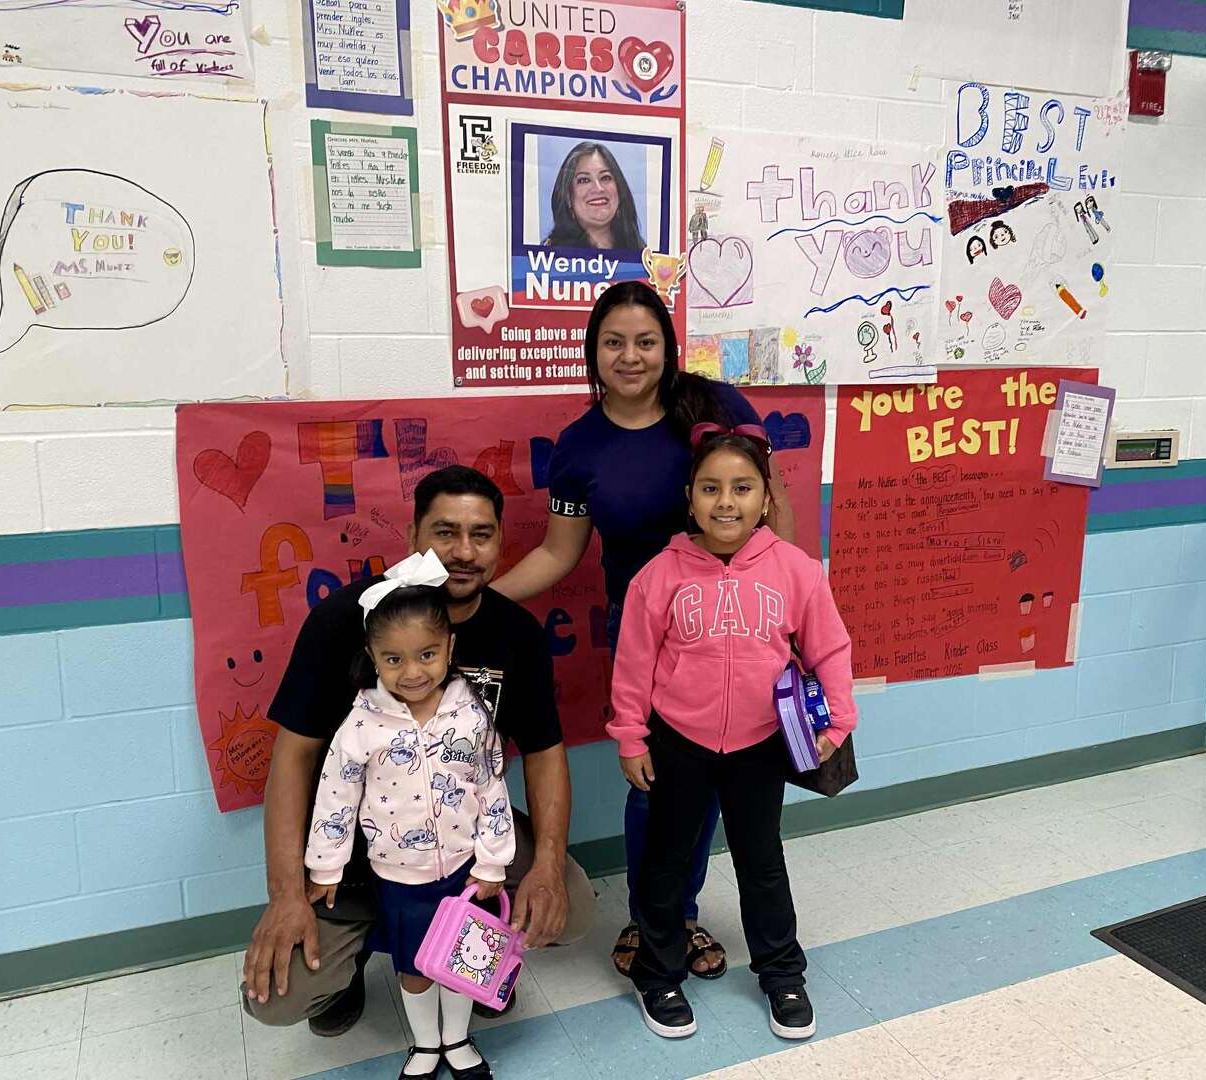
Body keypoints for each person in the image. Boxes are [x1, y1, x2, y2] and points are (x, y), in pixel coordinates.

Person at [492, 280, 796, 983]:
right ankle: (652, 916)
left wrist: (790, 604)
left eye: (646, 341)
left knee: (724, 779)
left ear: (668, 347)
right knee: (653, 782)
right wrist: (468, 602)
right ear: (593, 352)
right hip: (648, 641)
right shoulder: (578, 447)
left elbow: (772, 504)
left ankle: (680, 913)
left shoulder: (718, 406)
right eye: (614, 343)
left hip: (741, 627)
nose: (630, 357)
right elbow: (558, 554)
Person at [243, 466, 594, 1035]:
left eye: (481, 534)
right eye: (445, 532)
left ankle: (467, 955)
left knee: (571, 909)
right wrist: (287, 895)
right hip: (355, 855)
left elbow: (545, 752)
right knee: (278, 1000)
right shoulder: (344, 619)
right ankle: (348, 964)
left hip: (461, 838)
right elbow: (293, 758)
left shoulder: (516, 633)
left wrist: (547, 865)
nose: (464, 551)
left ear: (501, 544)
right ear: (412, 539)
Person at [607, 426, 856, 1041]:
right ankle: (658, 972)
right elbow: (634, 664)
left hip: (759, 743)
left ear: (765, 498)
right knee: (666, 862)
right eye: (711, 488)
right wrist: (631, 736)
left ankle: (781, 973)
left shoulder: (795, 570)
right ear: (689, 498)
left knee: (761, 860)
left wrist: (839, 718)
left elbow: (829, 646)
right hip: (677, 741)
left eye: (742, 488)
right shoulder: (659, 577)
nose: (726, 502)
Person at [305, 550, 511, 1079]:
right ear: (374, 658)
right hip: (399, 878)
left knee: (463, 962)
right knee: (415, 967)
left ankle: (459, 1040)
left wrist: (493, 862)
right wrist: (325, 867)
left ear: (449, 648)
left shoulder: (471, 712)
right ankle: (426, 1045)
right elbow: (335, 797)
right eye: (394, 660)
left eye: (426, 655)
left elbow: (491, 787)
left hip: (466, 871)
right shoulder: (360, 725)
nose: (412, 672)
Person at [544, 141, 646, 251]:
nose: (598, 189)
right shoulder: (549, 258)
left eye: (605, 178)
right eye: (584, 180)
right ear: (568, 197)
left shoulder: (644, 256)